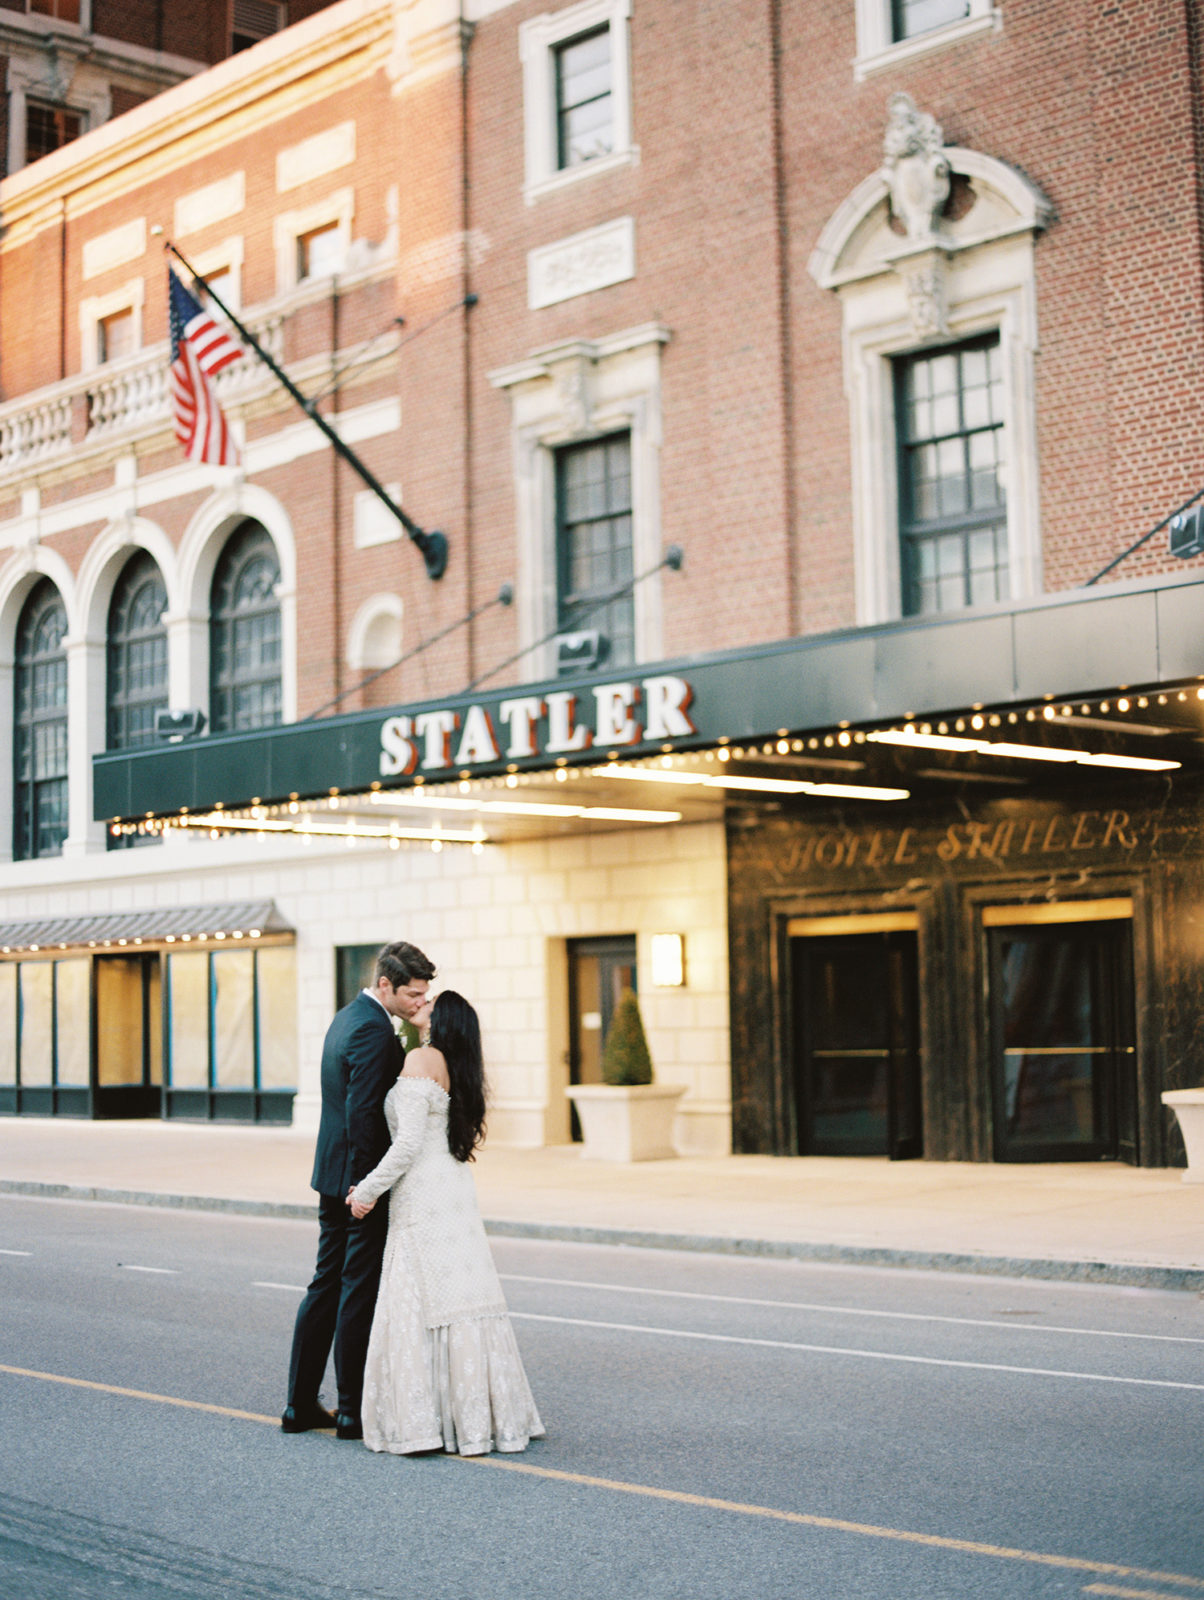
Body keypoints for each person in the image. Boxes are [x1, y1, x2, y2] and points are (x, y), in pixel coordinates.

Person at [348, 990, 544, 1456]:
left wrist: (368, 1190)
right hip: (451, 1187)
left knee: (419, 1296)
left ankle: (422, 1423)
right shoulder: (456, 1064)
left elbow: (408, 1143)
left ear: (442, 1020)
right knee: (459, 1296)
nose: (422, 1004)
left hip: (424, 1194)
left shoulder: (421, 1059)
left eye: (430, 1002)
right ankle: (480, 1417)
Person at [282, 940, 435, 1441]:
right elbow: (363, 1114)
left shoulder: (346, 1017)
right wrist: (369, 1188)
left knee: (325, 1284)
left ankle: (299, 1403)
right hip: (355, 1182)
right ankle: (351, 1409)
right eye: (413, 994)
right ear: (385, 984)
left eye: (424, 994)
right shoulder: (372, 1031)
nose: (419, 1002)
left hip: (331, 1174)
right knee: (355, 1289)